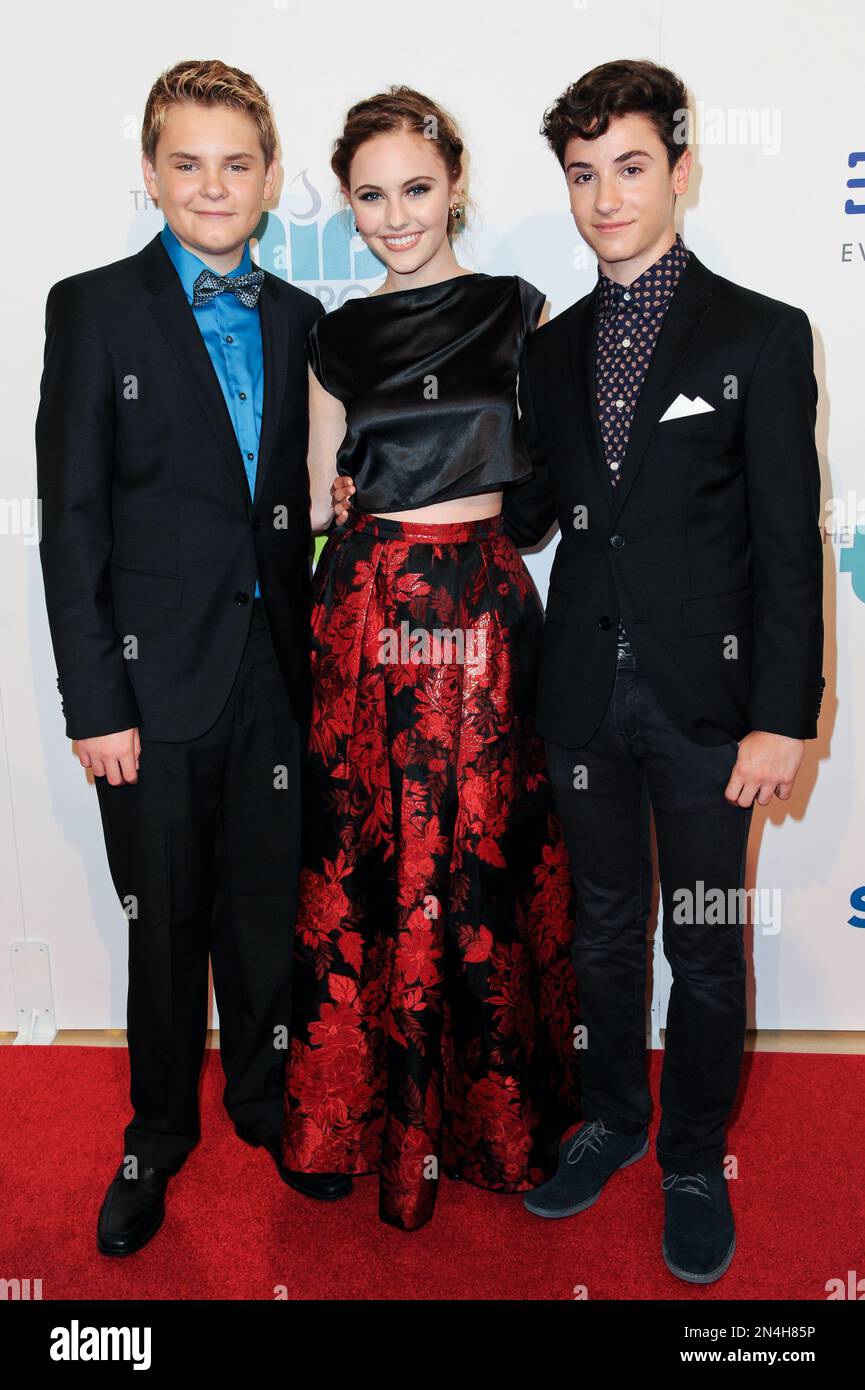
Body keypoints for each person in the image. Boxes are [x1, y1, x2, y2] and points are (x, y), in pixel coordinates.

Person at [495, 60, 824, 1284]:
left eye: (628, 167)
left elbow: (790, 548)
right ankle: (611, 1121)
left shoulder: (761, 332)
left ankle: (691, 1155)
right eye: (582, 175)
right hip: (581, 695)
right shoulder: (551, 345)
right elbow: (527, 512)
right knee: (599, 930)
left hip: (708, 707)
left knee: (704, 936)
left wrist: (780, 719)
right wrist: (402, 472)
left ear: (680, 170)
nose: (604, 197)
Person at [282, 86, 582, 1232]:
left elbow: (544, 487)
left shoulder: (520, 310)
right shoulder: (334, 333)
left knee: (475, 861)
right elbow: (319, 494)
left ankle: (489, 1122)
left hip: (480, 614)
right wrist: (343, 501)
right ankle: (352, 1119)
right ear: (347, 204)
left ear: (454, 182)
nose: (396, 215)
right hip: (364, 609)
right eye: (370, 195)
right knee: (368, 862)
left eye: (416, 188)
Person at [35, 59, 323, 1255]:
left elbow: (299, 495)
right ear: (150, 173)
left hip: (276, 667)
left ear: (268, 177)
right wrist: (96, 698)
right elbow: (73, 521)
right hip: (152, 683)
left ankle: (263, 1099)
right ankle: (155, 1134)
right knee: (164, 923)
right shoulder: (95, 306)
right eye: (188, 163)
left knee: (267, 907)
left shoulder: (304, 319)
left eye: (237, 163)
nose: (213, 186)